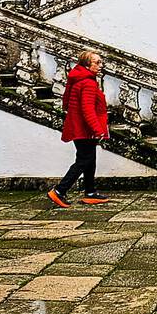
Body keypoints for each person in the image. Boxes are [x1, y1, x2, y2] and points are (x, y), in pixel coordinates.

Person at [48, 51, 111, 207]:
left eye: (100, 62)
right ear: (87, 65)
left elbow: (67, 100)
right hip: (84, 129)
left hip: (80, 127)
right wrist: (98, 129)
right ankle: (59, 191)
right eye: (97, 62)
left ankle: (90, 192)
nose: (100, 65)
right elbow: (87, 109)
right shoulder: (88, 83)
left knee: (90, 159)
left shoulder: (79, 79)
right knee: (84, 160)